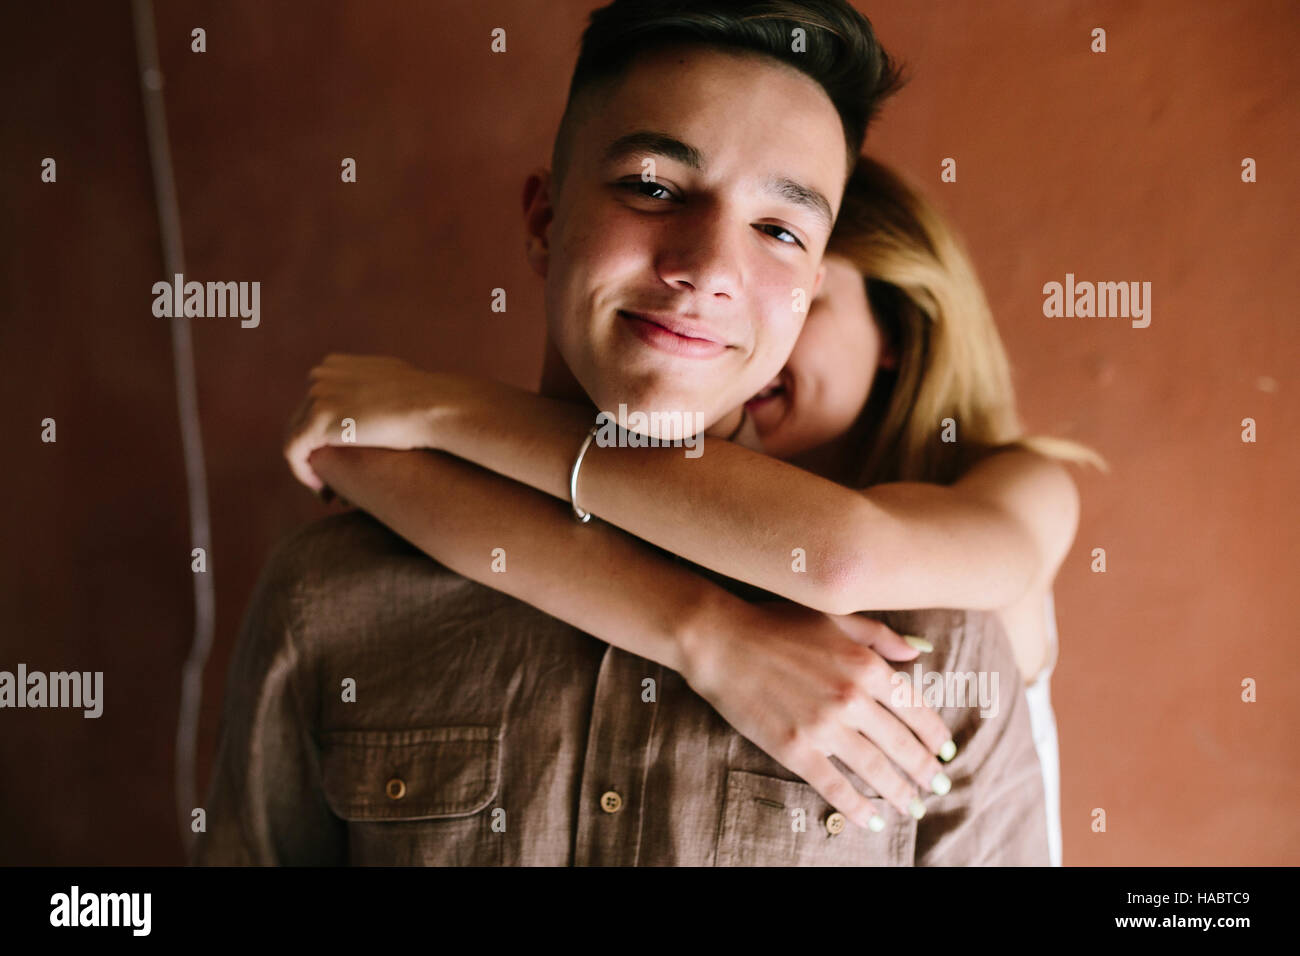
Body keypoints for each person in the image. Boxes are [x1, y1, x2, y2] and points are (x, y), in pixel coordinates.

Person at [196, 0, 1051, 866]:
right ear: (543, 221)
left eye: (779, 230)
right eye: (652, 186)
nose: (709, 269)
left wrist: (435, 413)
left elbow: (844, 558)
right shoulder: (328, 601)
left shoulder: (933, 644)